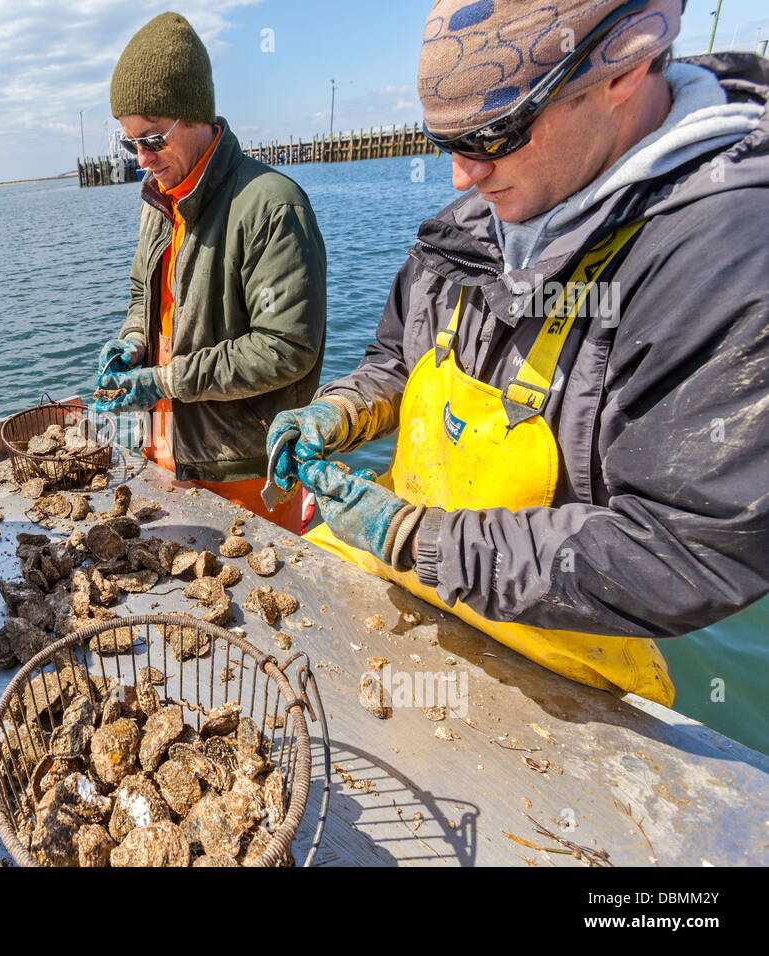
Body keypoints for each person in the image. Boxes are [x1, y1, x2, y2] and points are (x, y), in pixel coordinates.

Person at [268, 0, 769, 706]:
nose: (460, 177)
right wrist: (341, 410)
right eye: (445, 141)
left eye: (493, 135)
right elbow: (399, 361)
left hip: (555, 675)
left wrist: (419, 541)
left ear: (623, 65)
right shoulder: (471, 220)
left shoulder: (732, 255)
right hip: (404, 607)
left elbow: (686, 548)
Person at [94, 11, 327, 534]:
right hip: (165, 454)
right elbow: (143, 294)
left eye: (152, 139)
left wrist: (166, 380)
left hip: (240, 471)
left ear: (197, 115)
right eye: (130, 142)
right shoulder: (158, 201)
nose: (142, 158)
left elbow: (286, 348)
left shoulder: (272, 205)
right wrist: (133, 341)